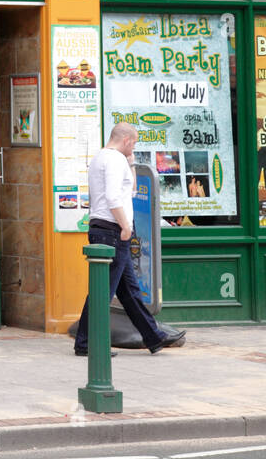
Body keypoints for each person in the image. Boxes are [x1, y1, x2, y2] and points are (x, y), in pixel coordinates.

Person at [74, 123, 187, 356]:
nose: (134, 146)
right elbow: (114, 197)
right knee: (102, 290)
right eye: (133, 142)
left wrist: (132, 163)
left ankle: (153, 338)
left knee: (129, 291)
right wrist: (125, 226)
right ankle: (85, 344)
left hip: (105, 229)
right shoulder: (114, 160)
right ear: (126, 140)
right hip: (112, 231)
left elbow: (130, 190)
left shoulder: (102, 158)